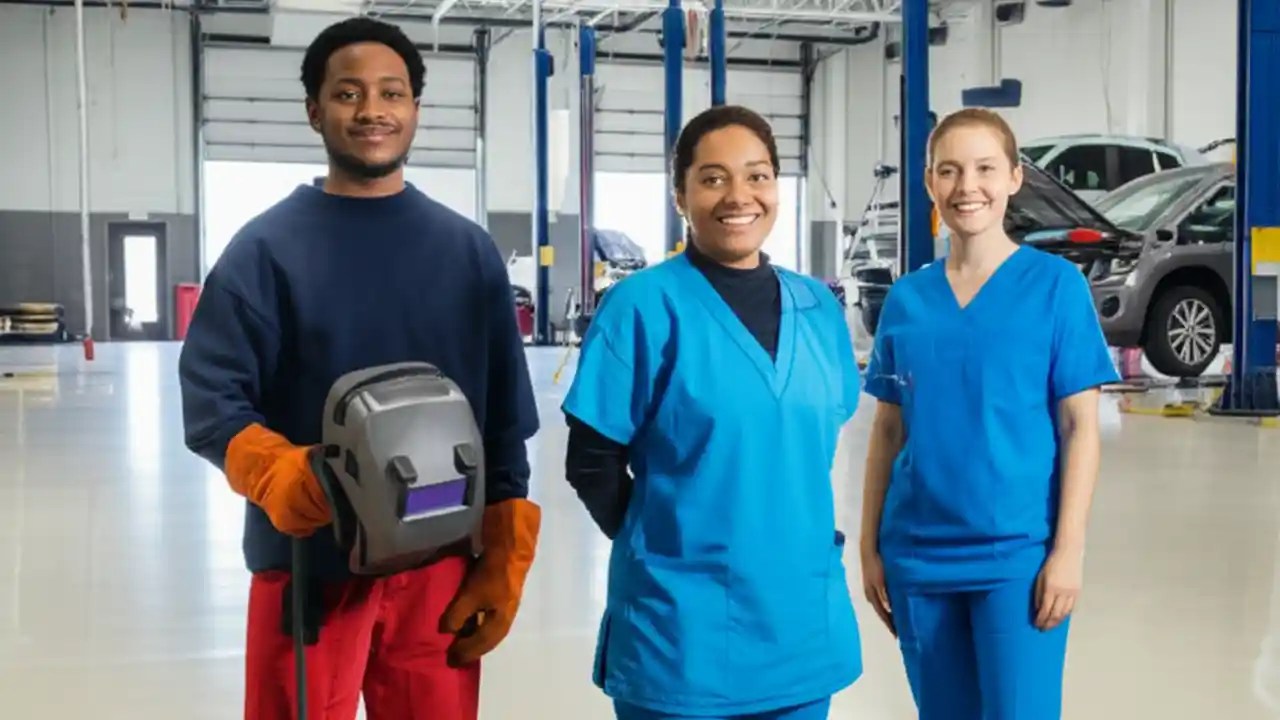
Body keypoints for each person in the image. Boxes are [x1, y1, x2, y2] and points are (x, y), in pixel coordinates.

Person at [178, 17, 541, 720]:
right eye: (348, 93)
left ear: (415, 110)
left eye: (391, 93)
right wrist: (280, 472)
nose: (372, 110)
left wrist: (502, 552)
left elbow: (501, 419)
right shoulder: (265, 251)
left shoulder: (467, 253)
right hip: (309, 567)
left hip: (439, 567)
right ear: (315, 109)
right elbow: (214, 402)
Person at [561, 104, 864, 720]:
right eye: (713, 177)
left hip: (799, 623)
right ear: (681, 194)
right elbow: (591, 462)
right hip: (681, 633)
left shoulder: (818, 310)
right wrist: (664, 545)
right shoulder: (643, 307)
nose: (738, 196)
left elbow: (811, 444)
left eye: (757, 176)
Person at [859, 108, 1119, 720]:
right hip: (917, 556)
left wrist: (1069, 551)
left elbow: (1081, 428)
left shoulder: (1055, 287)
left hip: (1020, 555)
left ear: (1013, 178)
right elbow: (889, 429)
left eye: (983, 169)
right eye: (948, 171)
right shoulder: (908, 299)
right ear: (929, 183)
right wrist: (870, 546)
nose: (965, 187)